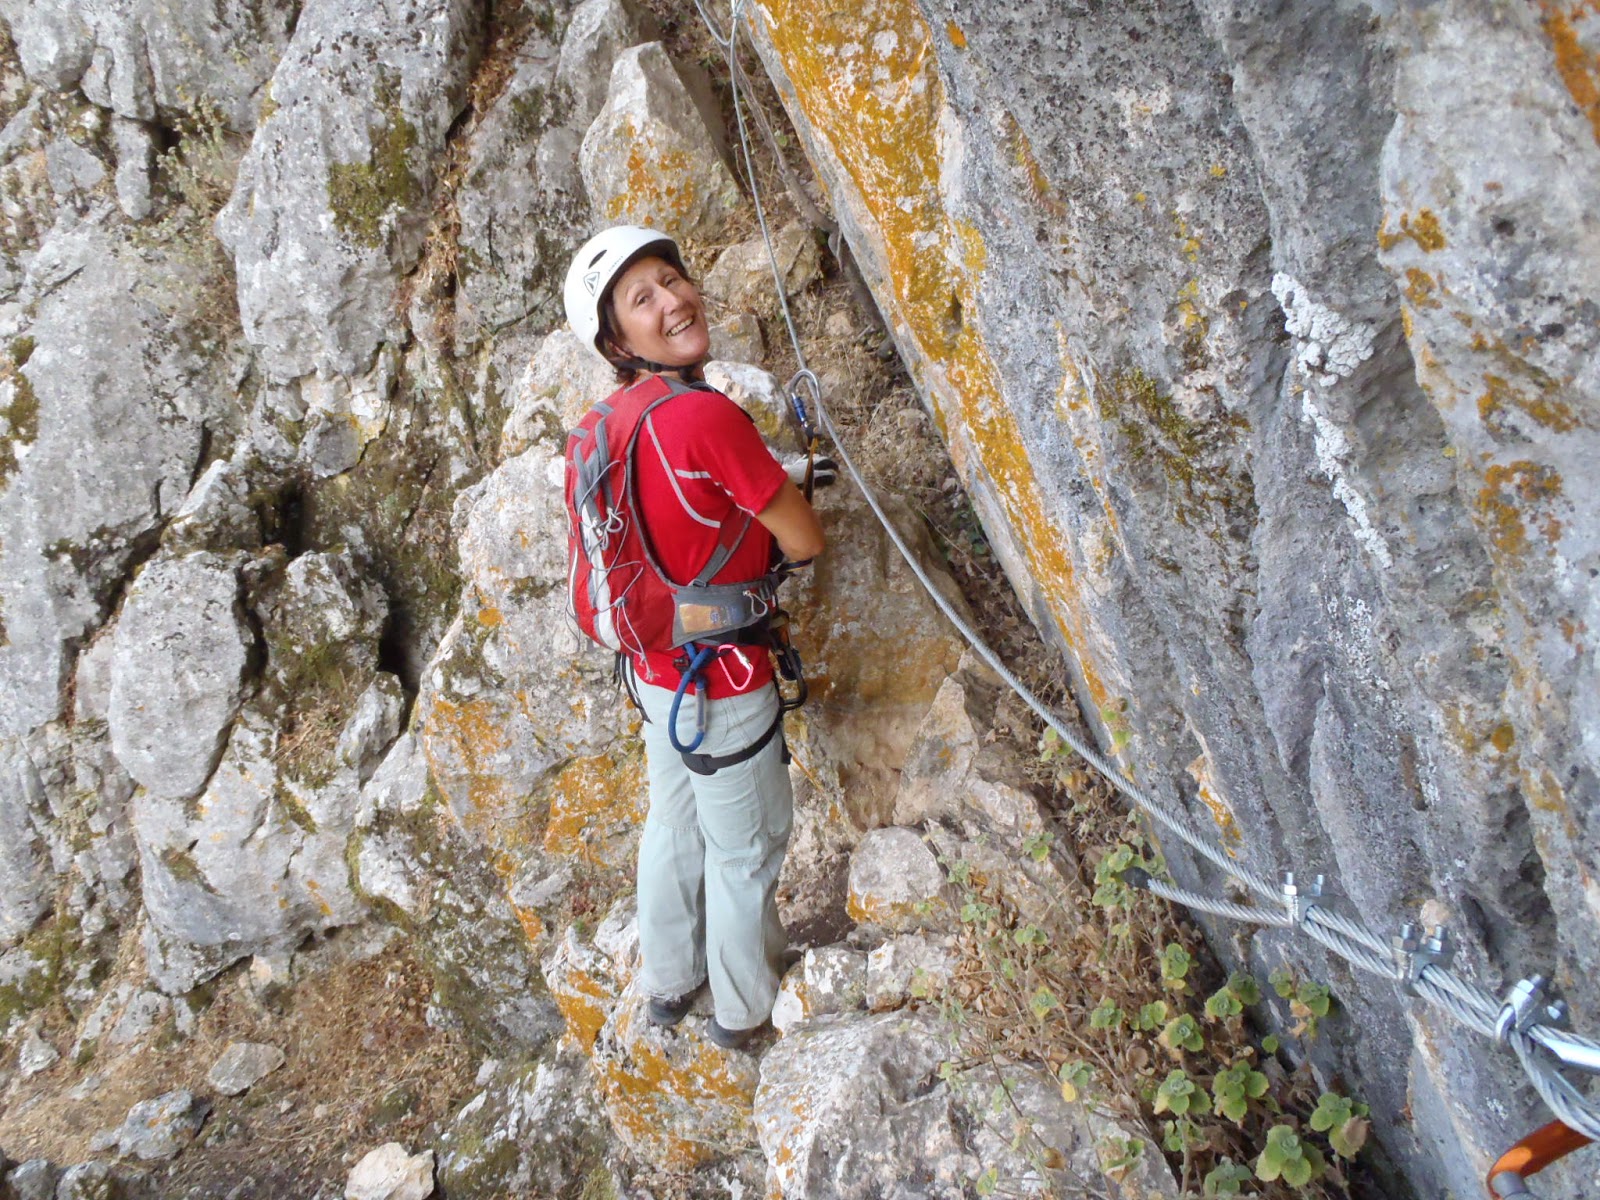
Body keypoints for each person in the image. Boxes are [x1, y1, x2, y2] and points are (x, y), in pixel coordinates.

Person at [562, 225, 825, 1049]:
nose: (673, 300)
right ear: (617, 338)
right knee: (748, 847)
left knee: (674, 822)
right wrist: (777, 492)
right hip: (724, 680)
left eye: (671, 280)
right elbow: (805, 541)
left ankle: (672, 982)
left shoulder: (603, 425)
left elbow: (664, 518)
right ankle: (744, 1015)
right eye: (644, 298)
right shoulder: (707, 417)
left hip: (654, 671)